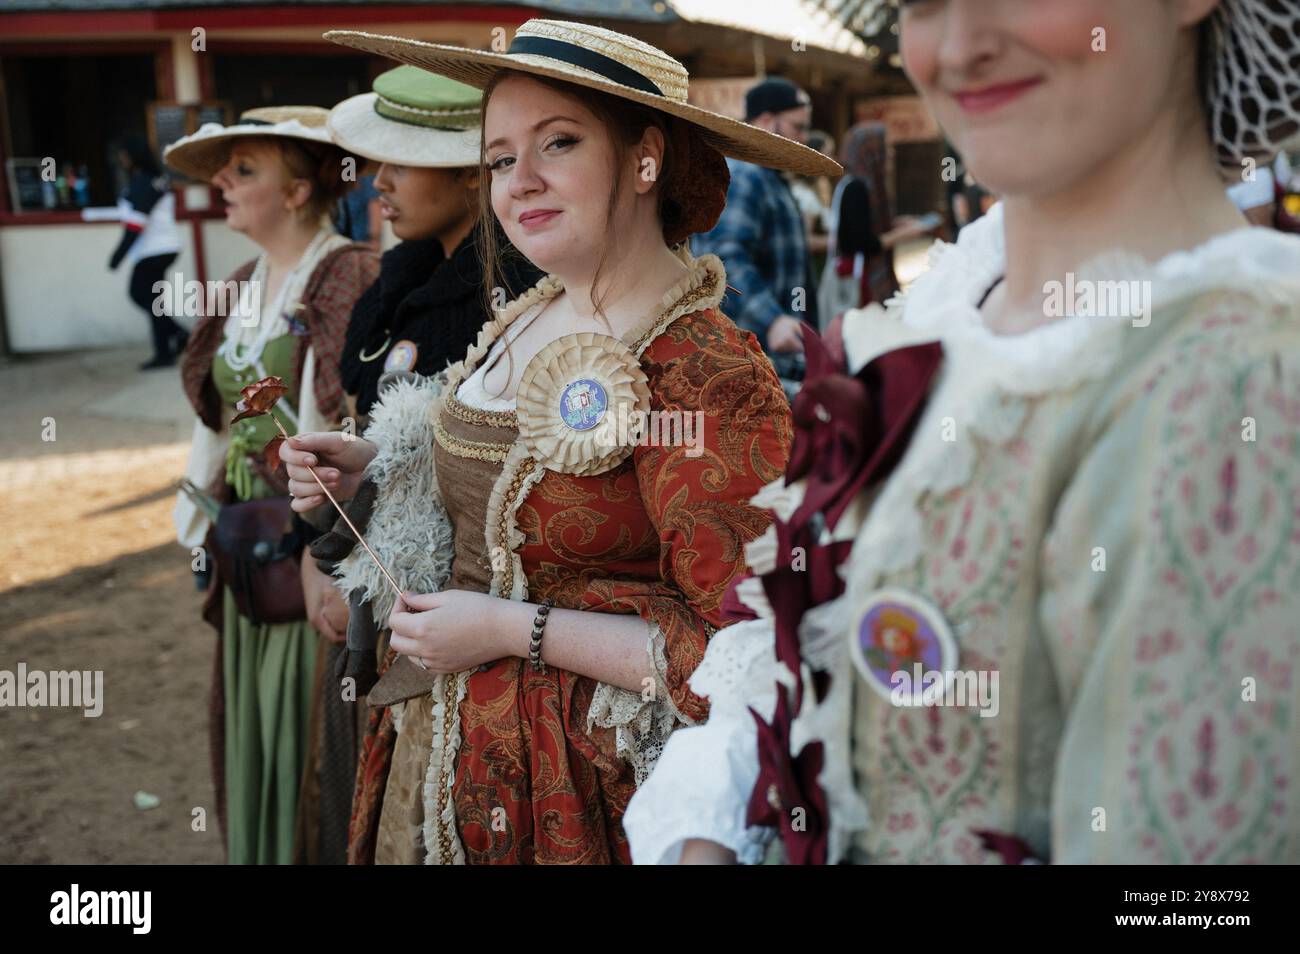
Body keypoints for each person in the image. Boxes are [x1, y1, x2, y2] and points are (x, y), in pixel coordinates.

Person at [625, 0, 1300, 864]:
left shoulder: (1243, 382)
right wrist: (706, 832)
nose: (960, 46)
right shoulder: (951, 307)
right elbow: (793, 654)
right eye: (923, 2)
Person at [282, 17, 837, 864]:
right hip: (434, 754)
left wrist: (511, 629)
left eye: (559, 144)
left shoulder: (704, 370)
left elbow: (738, 653)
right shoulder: (529, 311)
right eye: (501, 159)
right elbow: (492, 509)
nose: (521, 182)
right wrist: (379, 468)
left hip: (582, 799)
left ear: (646, 157)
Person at [165, 105, 379, 864]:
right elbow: (216, 423)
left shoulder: (349, 273)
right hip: (243, 551)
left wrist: (320, 549)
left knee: (310, 737)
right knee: (249, 724)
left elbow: (360, 424)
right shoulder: (243, 283)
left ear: (297, 191)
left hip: (307, 557)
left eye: (245, 169)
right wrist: (197, 534)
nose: (222, 181)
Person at [693, 77, 820, 379]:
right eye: (797, 127)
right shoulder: (745, 176)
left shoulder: (769, 177)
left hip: (776, 356)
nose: (803, 138)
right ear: (766, 121)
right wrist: (773, 321)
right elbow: (724, 259)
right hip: (752, 359)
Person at [817, 122, 931, 329]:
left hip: (867, 276)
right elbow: (859, 242)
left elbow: (862, 225)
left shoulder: (864, 183)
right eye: (885, 147)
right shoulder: (857, 187)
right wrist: (902, 235)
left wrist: (896, 224)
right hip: (863, 281)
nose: (890, 153)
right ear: (870, 151)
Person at [107, 132, 185, 370]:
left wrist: (117, 257)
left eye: (123, 154)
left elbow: (135, 224)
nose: (121, 159)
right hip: (164, 247)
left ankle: (172, 342)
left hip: (155, 250)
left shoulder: (144, 181)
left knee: (141, 295)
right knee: (152, 300)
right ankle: (171, 343)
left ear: (132, 155)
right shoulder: (156, 178)